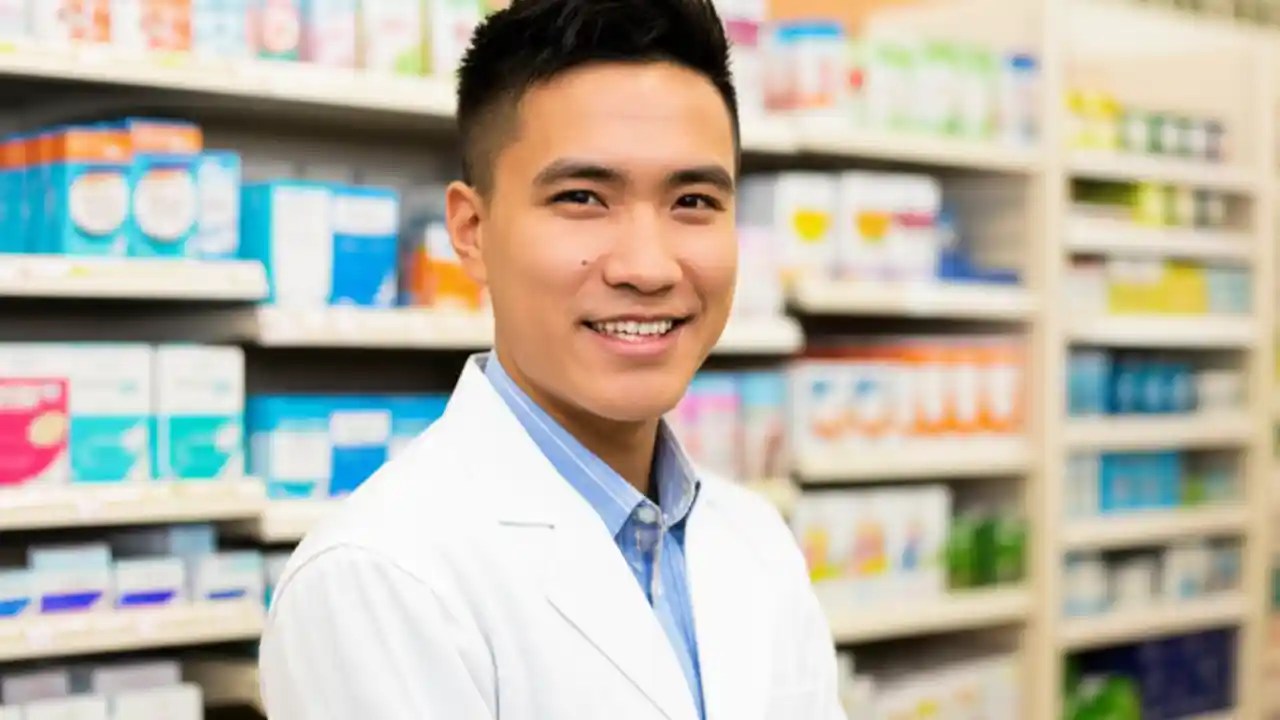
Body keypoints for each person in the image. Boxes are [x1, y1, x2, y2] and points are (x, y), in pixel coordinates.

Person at [258, 1, 846, 718]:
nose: (647, 267)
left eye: (692, 201)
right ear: (471, 231)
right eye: (583, 198)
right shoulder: (378, 578)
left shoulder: (756, 540)